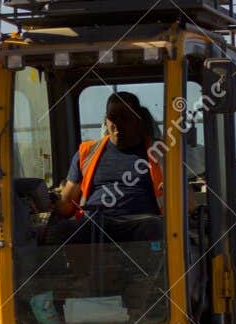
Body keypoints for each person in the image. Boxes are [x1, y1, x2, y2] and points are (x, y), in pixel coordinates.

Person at [48, 92, 163, 239]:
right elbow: (66, 204)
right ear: (106, 120)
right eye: (112, 117)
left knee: (156, 228)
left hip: (140, 222)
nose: (117, 124)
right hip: (96, 223)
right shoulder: (87, 153)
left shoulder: (161, 154)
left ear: (137, 120)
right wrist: (47, 202)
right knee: (58, 232)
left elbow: (188, 203)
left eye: (125, 117)